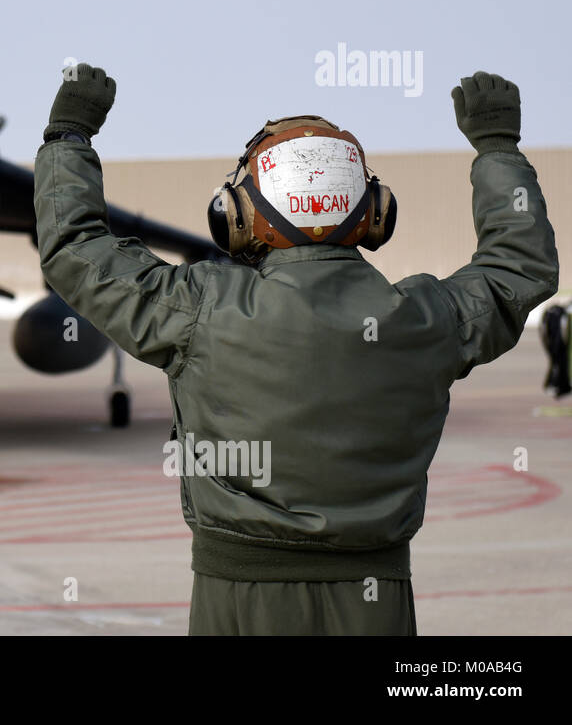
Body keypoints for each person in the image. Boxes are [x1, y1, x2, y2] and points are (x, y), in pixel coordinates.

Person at [34, 65, 559, 635]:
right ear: (374, 214)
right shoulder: (428, 318)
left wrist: (69, 136)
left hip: (236, 600)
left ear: (236, 217)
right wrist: (497, 146)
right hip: (376, 598)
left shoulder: (196, 311)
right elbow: (516, 266)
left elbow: (76, 249)